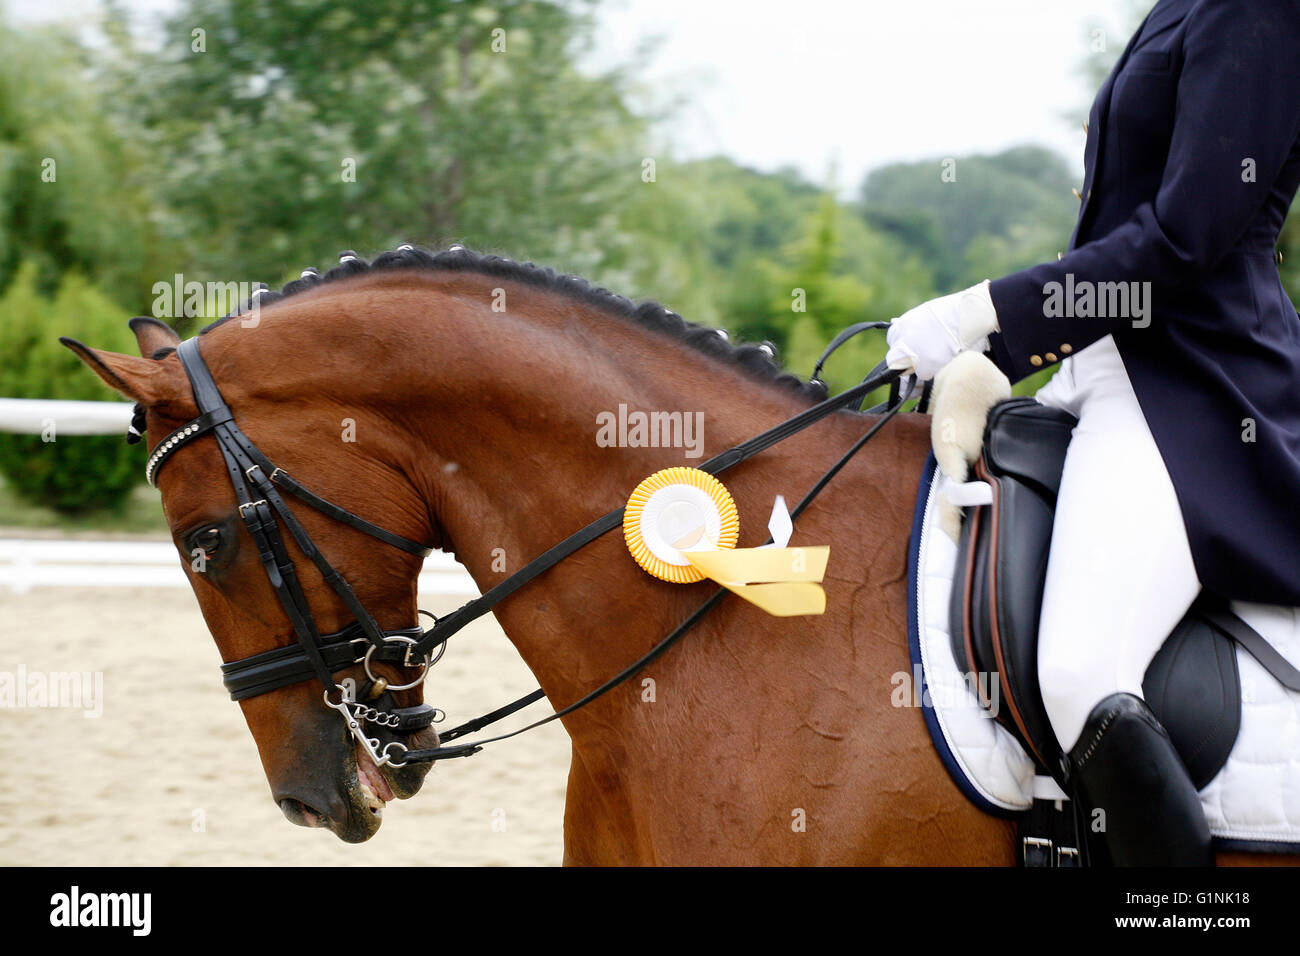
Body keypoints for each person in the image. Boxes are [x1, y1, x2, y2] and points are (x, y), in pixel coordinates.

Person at [884, 0, 1300, 866]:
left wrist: (983, 312)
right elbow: (1119, 242)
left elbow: (1186, 241)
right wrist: (997, 352)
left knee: (1079, 669)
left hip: (1194, 391)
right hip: (1104, 371)